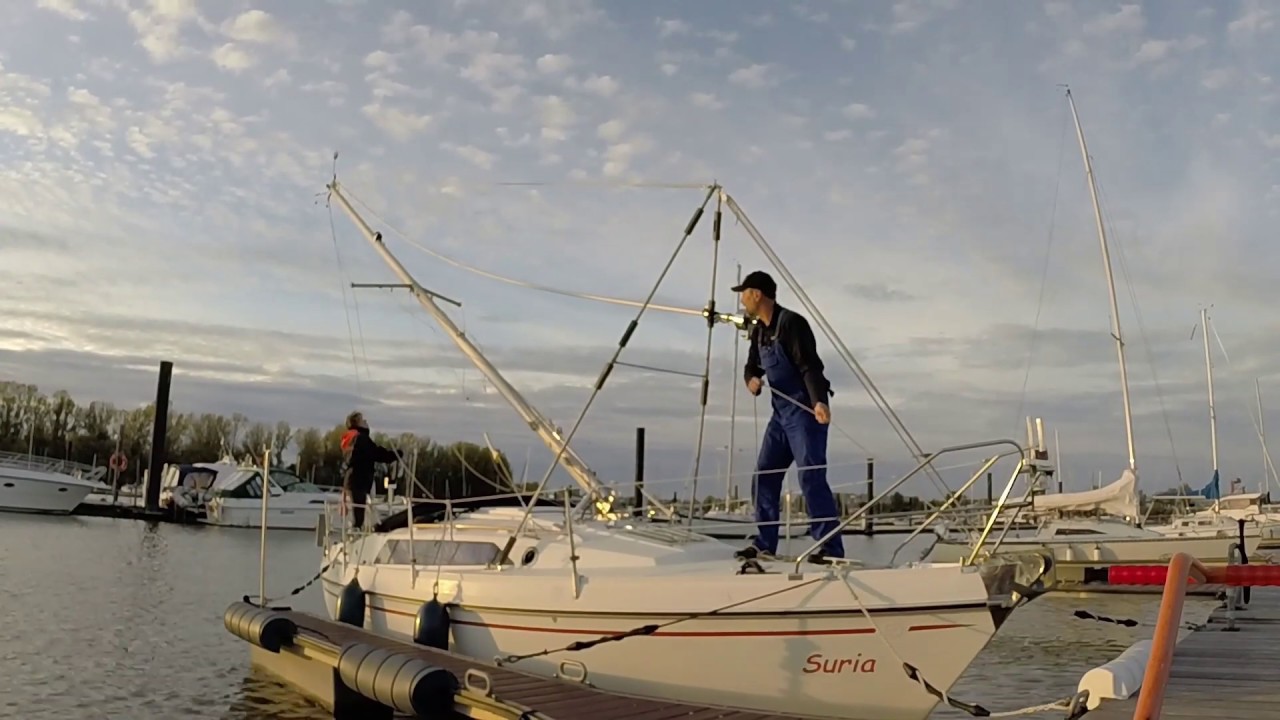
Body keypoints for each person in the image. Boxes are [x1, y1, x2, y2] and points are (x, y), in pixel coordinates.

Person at [730, 270, 845, 563]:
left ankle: (830, 549)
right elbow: (751, 367)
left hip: (804, 412)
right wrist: (751, 380)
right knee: (764, 476)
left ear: (756, 294)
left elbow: (810, 367)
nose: (742, 300)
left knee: (811, 477)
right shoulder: (758, 331)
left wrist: (819, 401)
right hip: (780, 416)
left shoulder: (792, 324)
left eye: (744, 293)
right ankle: (765, 544)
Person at [340, 411, 401, 529]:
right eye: (363, 420)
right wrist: (395, 455)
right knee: (358, 515)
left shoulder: (352, 439)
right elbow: (376, 453)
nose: (366, 422)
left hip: (354, 480)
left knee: (359, 512)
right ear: (357, 423)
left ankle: (357, 533)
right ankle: (357, 534)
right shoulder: (361, 439)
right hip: (359, 481)